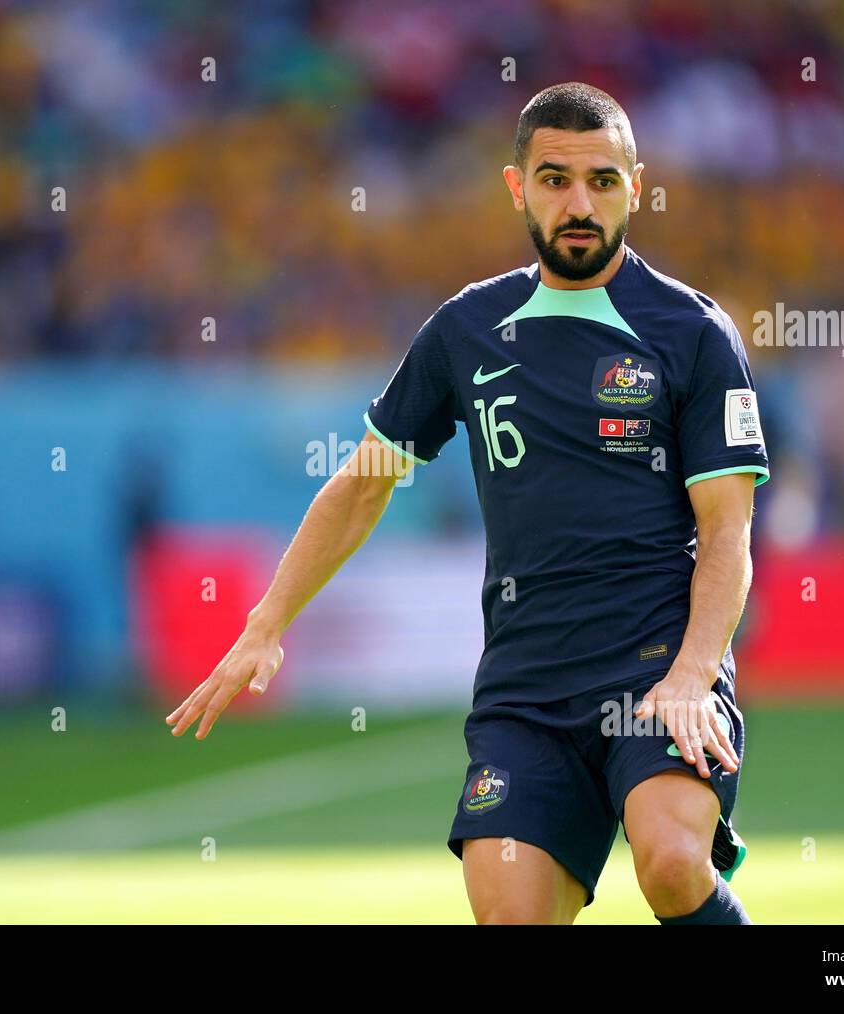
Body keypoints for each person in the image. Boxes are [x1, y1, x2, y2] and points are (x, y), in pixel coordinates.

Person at [167, 82, 768, 925]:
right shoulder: (467, 329)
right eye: (555, 180)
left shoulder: (692, 333)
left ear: (635, 188)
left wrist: (694, 673)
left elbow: (727, 530)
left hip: (657, 668)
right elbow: (362, 485)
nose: (579, 204)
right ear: (517, 187)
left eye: (602, 181)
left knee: (671, 863)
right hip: (526, 689)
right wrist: (266, 624)